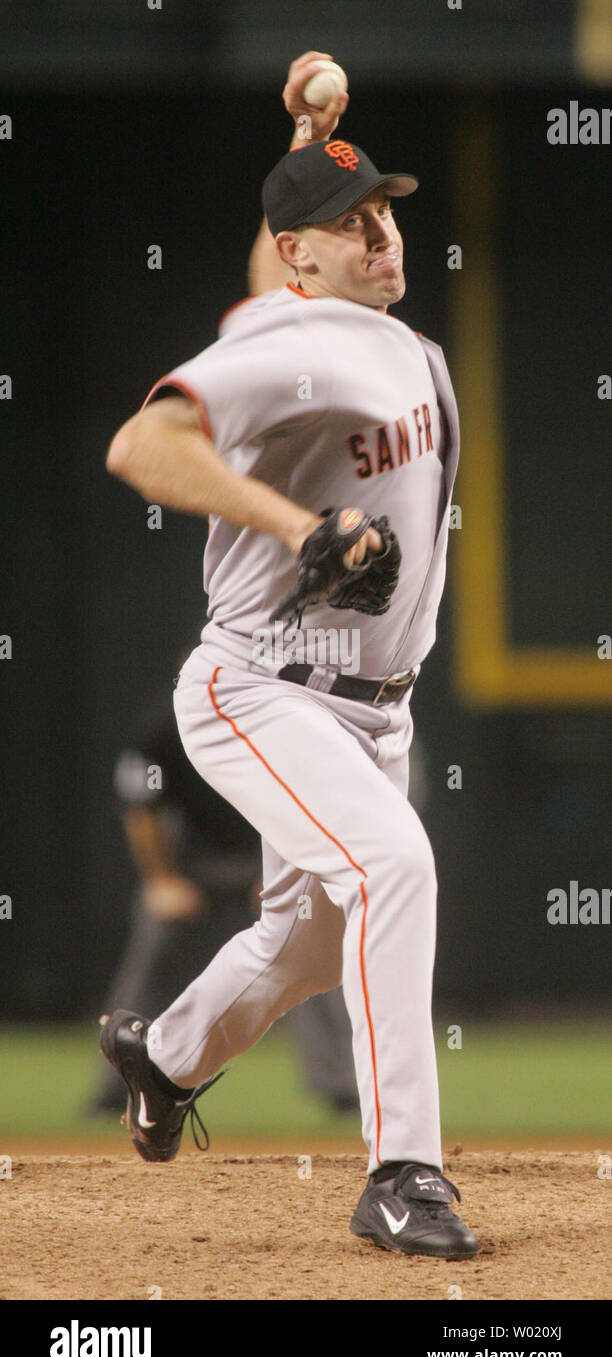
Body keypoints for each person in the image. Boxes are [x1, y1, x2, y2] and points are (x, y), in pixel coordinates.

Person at [101, 50, 478, 1259]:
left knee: (309, 940)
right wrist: (304, 528)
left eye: (385, 213)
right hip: (262, 685)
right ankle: (403, 1171)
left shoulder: (363, 331)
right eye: (347, 224)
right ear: (303, 255)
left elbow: (282, 266)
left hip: (377, 711)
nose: (381, 234)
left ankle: (161, 1057)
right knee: (395, 869)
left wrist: (317, 137)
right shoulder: (290, 343)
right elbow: (143, 448)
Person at [91, 680, 359, 1113]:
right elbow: (141, 809)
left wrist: (285, 874)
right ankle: (120, 1081)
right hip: (192, 862)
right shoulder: (165, 725)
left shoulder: (279, 716)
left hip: (268, 853)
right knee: (155, 931)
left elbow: (303, 802)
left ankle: (342, 1088)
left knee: (310, 939)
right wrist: (162, 881)